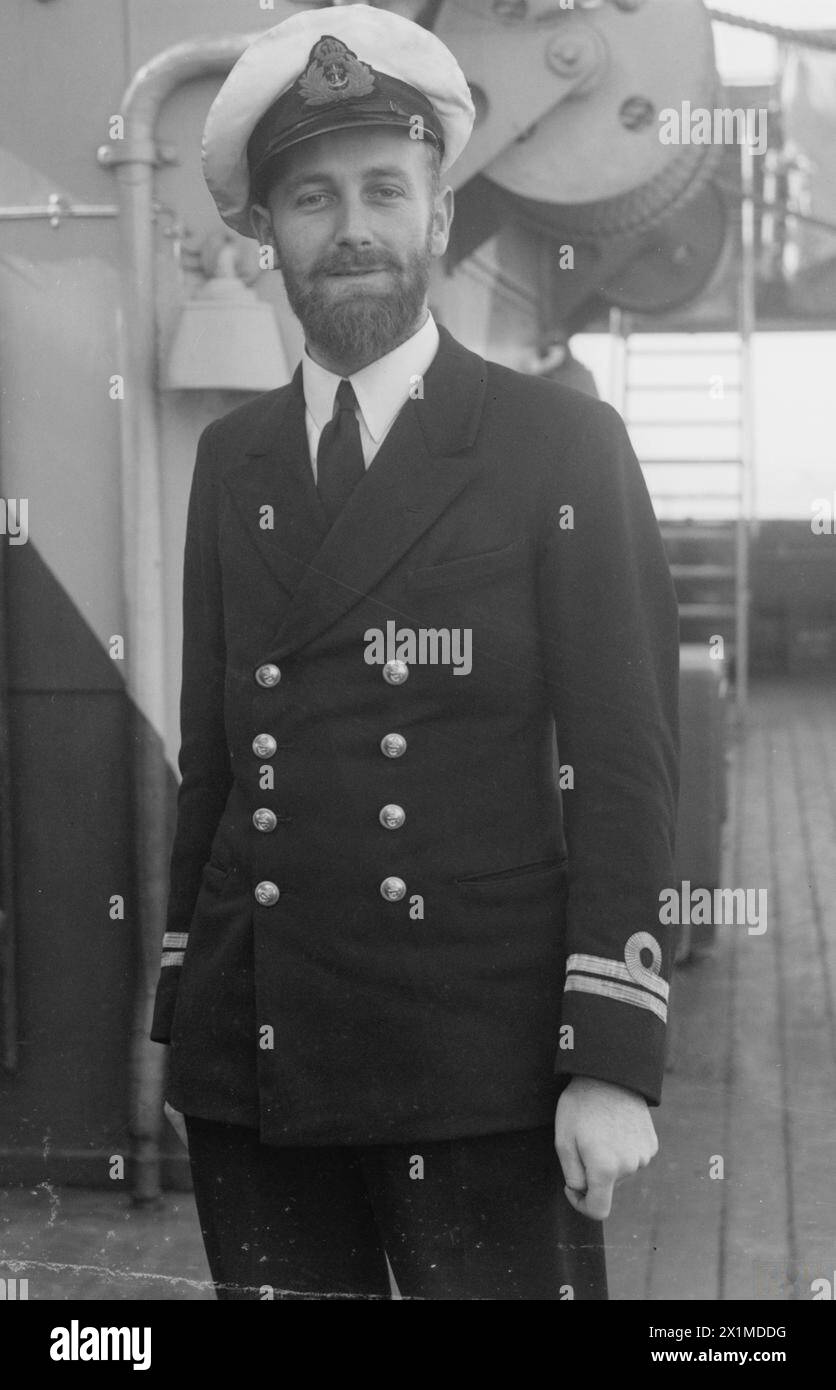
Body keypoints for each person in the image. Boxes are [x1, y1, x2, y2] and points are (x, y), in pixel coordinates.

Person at [151, 4, 679, 1302]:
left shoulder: (558, 447)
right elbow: (214, 764)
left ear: (438, 215)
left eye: (385, 188)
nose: (352, 228)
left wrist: (609, 1053)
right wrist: (180, 1025)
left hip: (481, 1068)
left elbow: (624, 761)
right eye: (311, 199)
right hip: (260, 1062)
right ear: (266, 235)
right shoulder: (236, 462)